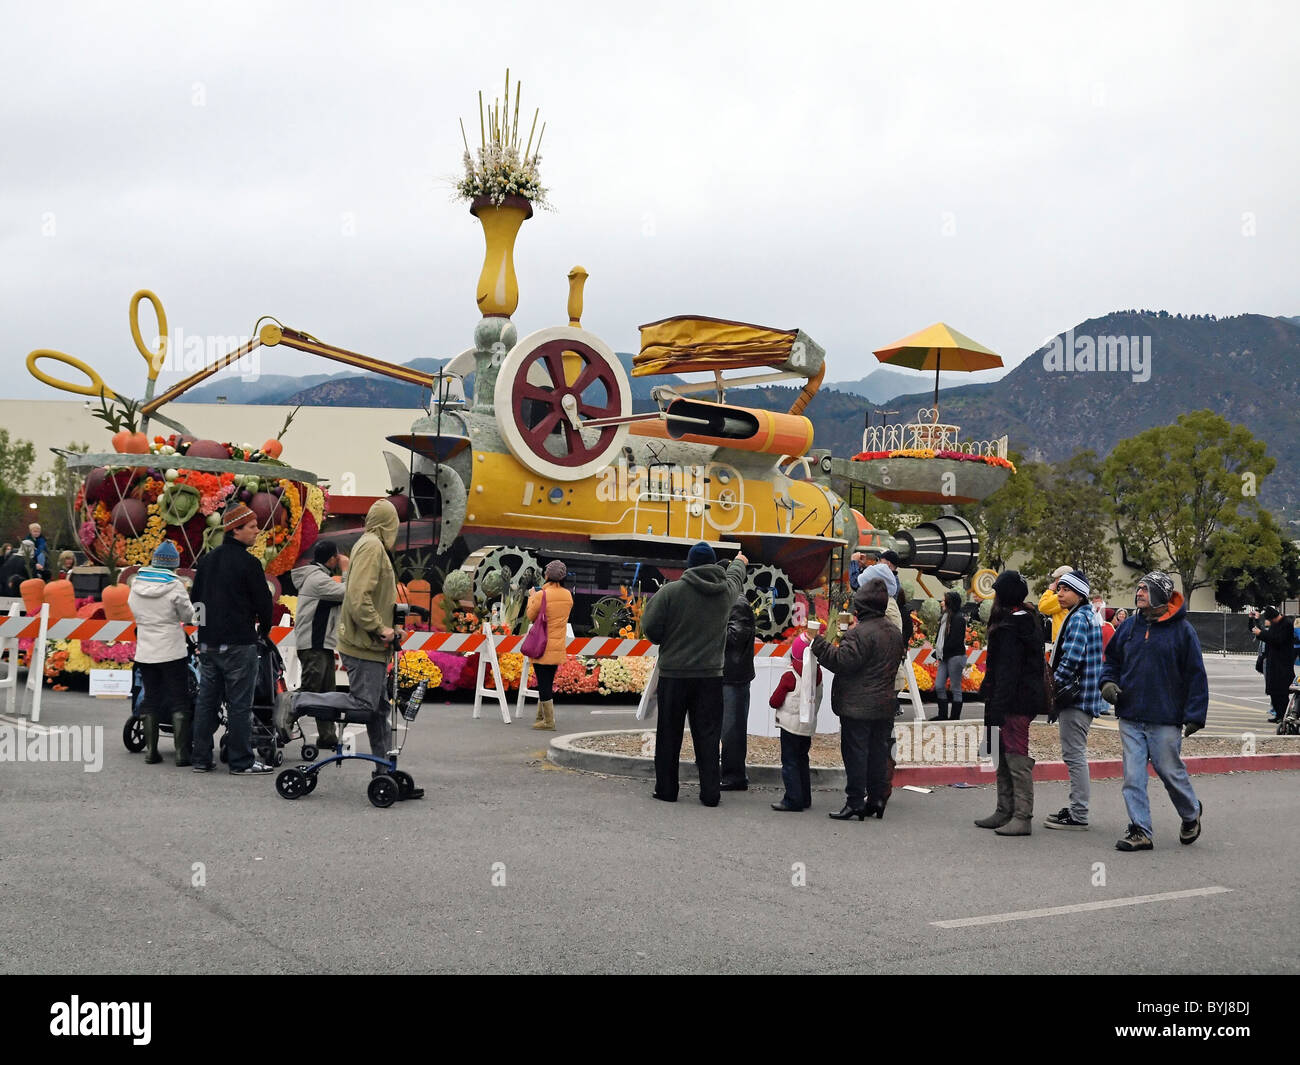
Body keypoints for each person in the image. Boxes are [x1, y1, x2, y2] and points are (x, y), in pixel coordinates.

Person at [291, 500, 414, 788]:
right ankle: (298, 700)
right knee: (365, 704)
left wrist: (390, 623)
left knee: (379, 708)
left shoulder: (368, 544)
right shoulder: (372, 547)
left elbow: (367, 595)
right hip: (363, 642)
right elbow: (358, 597)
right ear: (389, 525)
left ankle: (384, 768)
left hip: (367, 642)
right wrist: (379, 627)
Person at [1101, 571, 1207, 852]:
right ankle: (1140, 830)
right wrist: (1108, 682)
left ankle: (1190, 813)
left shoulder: (1183, 631)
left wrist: (1195, 714)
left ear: (1160, 594)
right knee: (1133, 777)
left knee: (1169, 771)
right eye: (1138, 588)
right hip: (1131, 716)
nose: (1139, 593)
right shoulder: (1129, 626)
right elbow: (1111, 660)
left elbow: (1196, 673)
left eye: (1145, 589)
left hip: (1165, 718)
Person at [642, 542, 748, 806]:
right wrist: (740, 561)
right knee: (708, 736)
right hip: (710, 677)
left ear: (689, 564)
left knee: (669, 734)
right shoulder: (725, 593)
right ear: (712, 564)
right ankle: (710, 793)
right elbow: (735, 576)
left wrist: (670, 639)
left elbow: (651, 629)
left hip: (673, 676)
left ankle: (666, 790)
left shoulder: (670, 592)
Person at [811, 577, 905, 820]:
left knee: (856, 754)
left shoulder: (860, 634)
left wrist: (819, 645)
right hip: (884, 703)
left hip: (858, 706)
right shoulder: (893, 632)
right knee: (877, 753)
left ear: (862, 607)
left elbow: (843, 662)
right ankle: (876, 799)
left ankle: (854, 802)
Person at [191, 503, 275, 774]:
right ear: (235, 529)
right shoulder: (249, 563)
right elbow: (264, 603)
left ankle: (201, 758)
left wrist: (204, 631)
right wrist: (264, 630)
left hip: (208, 643)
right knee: (239, 704)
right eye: (251, 527)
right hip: (239, 643)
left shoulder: (206, 561)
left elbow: (195, 601)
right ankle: (241, 761)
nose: (256, 531)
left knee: (207, 702)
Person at [973, 570, 1044, 836]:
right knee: (1002, 753)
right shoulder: (1022, 620)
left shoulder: (1013, 626)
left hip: (1015, 702)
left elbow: (1007, 672)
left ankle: (1021, 815)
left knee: (1016, 755)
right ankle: (1005, 810)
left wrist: (996, 709)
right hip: (1014, 699)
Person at [1043, 570, 1104, 830]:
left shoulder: (1078, 619)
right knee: (1075, 754)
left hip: (1076, 699)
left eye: (1065, 589)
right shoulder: (1086, 615)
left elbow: (1071, 659)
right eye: (1060, 589)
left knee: (1074, 755)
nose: (1060, 593)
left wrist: (1052, 685)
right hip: (1085, 696)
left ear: (1079, 593)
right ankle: (1077, 808)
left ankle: (1079, 814)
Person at [127, 541, 195, 766]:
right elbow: (187, 615)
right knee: (179, 698)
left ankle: (151, 752)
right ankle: (181, 753)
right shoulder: (175, 585)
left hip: (146, 650)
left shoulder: (136, 583)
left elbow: (133, 609)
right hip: (172, 650)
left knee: (151, 697)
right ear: (173, 565)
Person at [288, 539, 348, 749]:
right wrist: (347, 569)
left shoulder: (318, 576)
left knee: (326, 693)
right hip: (314, 644)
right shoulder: (318, 579)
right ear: (332, 558)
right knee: (310, 691)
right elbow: (348, 593)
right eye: (337, 556)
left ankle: (327, 736)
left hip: (320, 643)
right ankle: (280, 722)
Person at [769, 620, 823, 811]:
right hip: (807, 726)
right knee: (802, 760)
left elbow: (775, 700)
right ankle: (805, 797)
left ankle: (793, 798)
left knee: (790, 762)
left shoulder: (790, 676)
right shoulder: (818, 675)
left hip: (790, 725)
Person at [526, 560, 575, 731]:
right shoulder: (568, 596)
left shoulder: (542, 595)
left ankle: (548, 721)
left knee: (543, 683)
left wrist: (532, 597)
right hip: (557, 645)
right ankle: (541, 717)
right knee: (547, 681)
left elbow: (531, 615)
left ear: (547, 575)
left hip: (542, 645)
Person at [719, 591, 756, 790]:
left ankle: (734, 776)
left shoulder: (737, 603)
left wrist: (708, 625)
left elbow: (735, 636)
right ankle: (729, 773)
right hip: (728, 674)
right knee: (725, 727)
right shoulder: (731, 601)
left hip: (733, 677)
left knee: (732, 730)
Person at [1250, 606, 1295, 724]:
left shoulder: (1287, 624)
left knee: (1282, 692)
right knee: (1272, 691)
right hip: (1272, 662)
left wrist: (1262, 634)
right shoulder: (1275, 624)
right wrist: (1256, 625)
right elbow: (1267, 636)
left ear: (1274, 617)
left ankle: (1283, 716)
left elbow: (1277, 640)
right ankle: (1278, 714)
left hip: (1283, 663)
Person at [931, 591, 967, 721]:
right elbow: (940, 638)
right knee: (939, 685)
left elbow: (955, 640)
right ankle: (942, 715)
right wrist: (939, 651)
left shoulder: (958, 619)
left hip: (955, 656)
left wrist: (941, 651)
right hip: (944, 656)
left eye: (943, 600)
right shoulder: (944, 618)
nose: (941, 603)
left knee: (955, 687)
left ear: (950, 602)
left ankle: (954, 717)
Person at [1037, 564, 1072, 646]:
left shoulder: (1061, 597)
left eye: (1056, 579)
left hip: (1060, 639)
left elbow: (1042, 607)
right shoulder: (1074, 595)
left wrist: (1050, 590)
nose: (1055, 582)